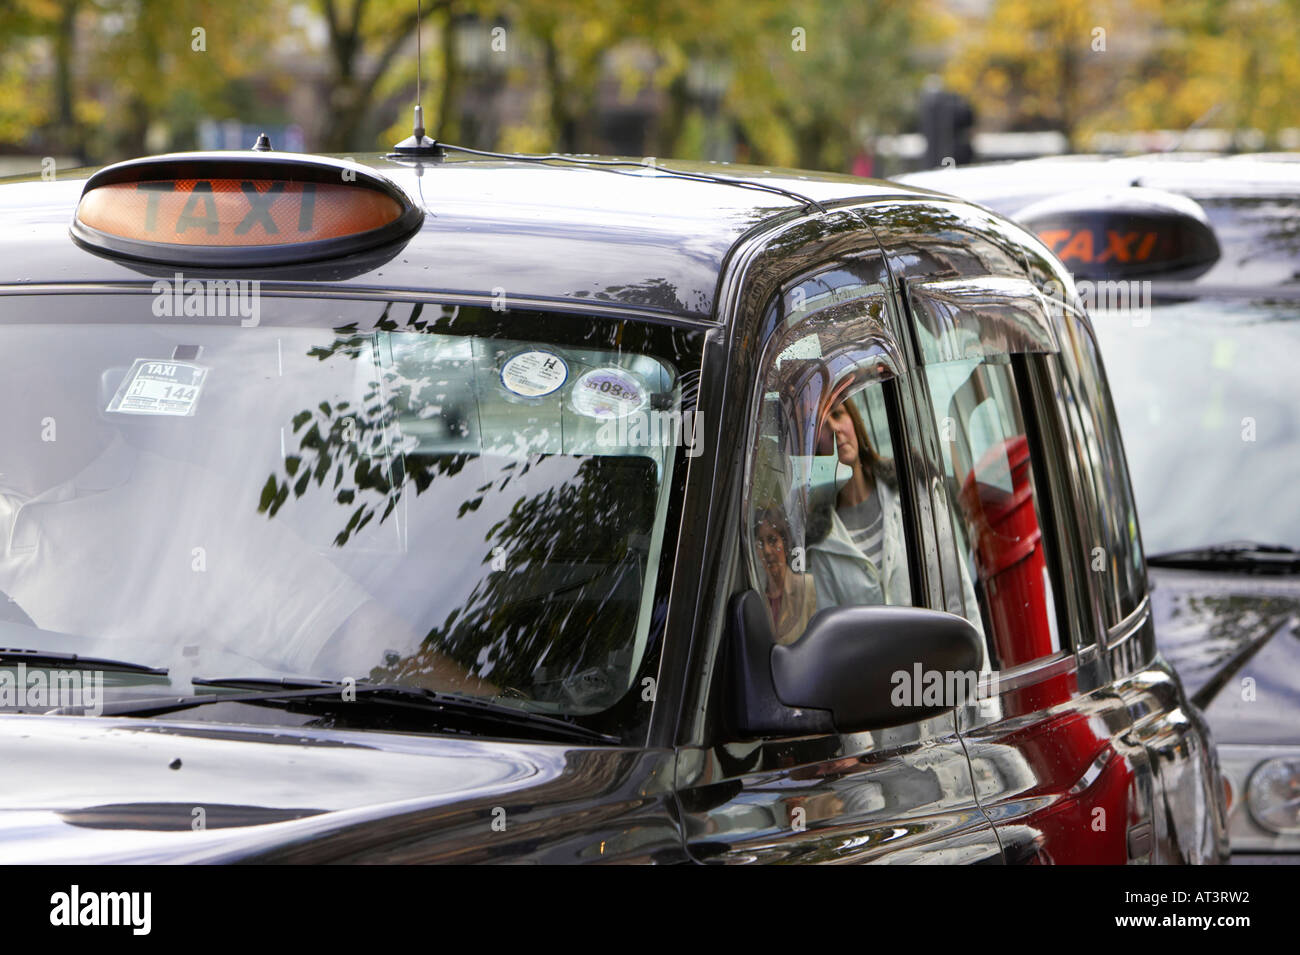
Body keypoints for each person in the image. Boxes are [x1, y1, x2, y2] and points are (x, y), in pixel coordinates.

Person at [806, 398, 908, 610]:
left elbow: (956, 588)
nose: (834, 428)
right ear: (815, 446)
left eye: (837, 414)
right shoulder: (820, 543)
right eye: (823, 424)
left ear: (854, 419)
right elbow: (834, 631)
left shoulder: (908, 488)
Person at [753, 506, 817, 645]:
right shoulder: (756, 598)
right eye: (760, 543)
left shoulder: (808, 588)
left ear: (785, 543)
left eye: (772, 540)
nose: (767, 551)